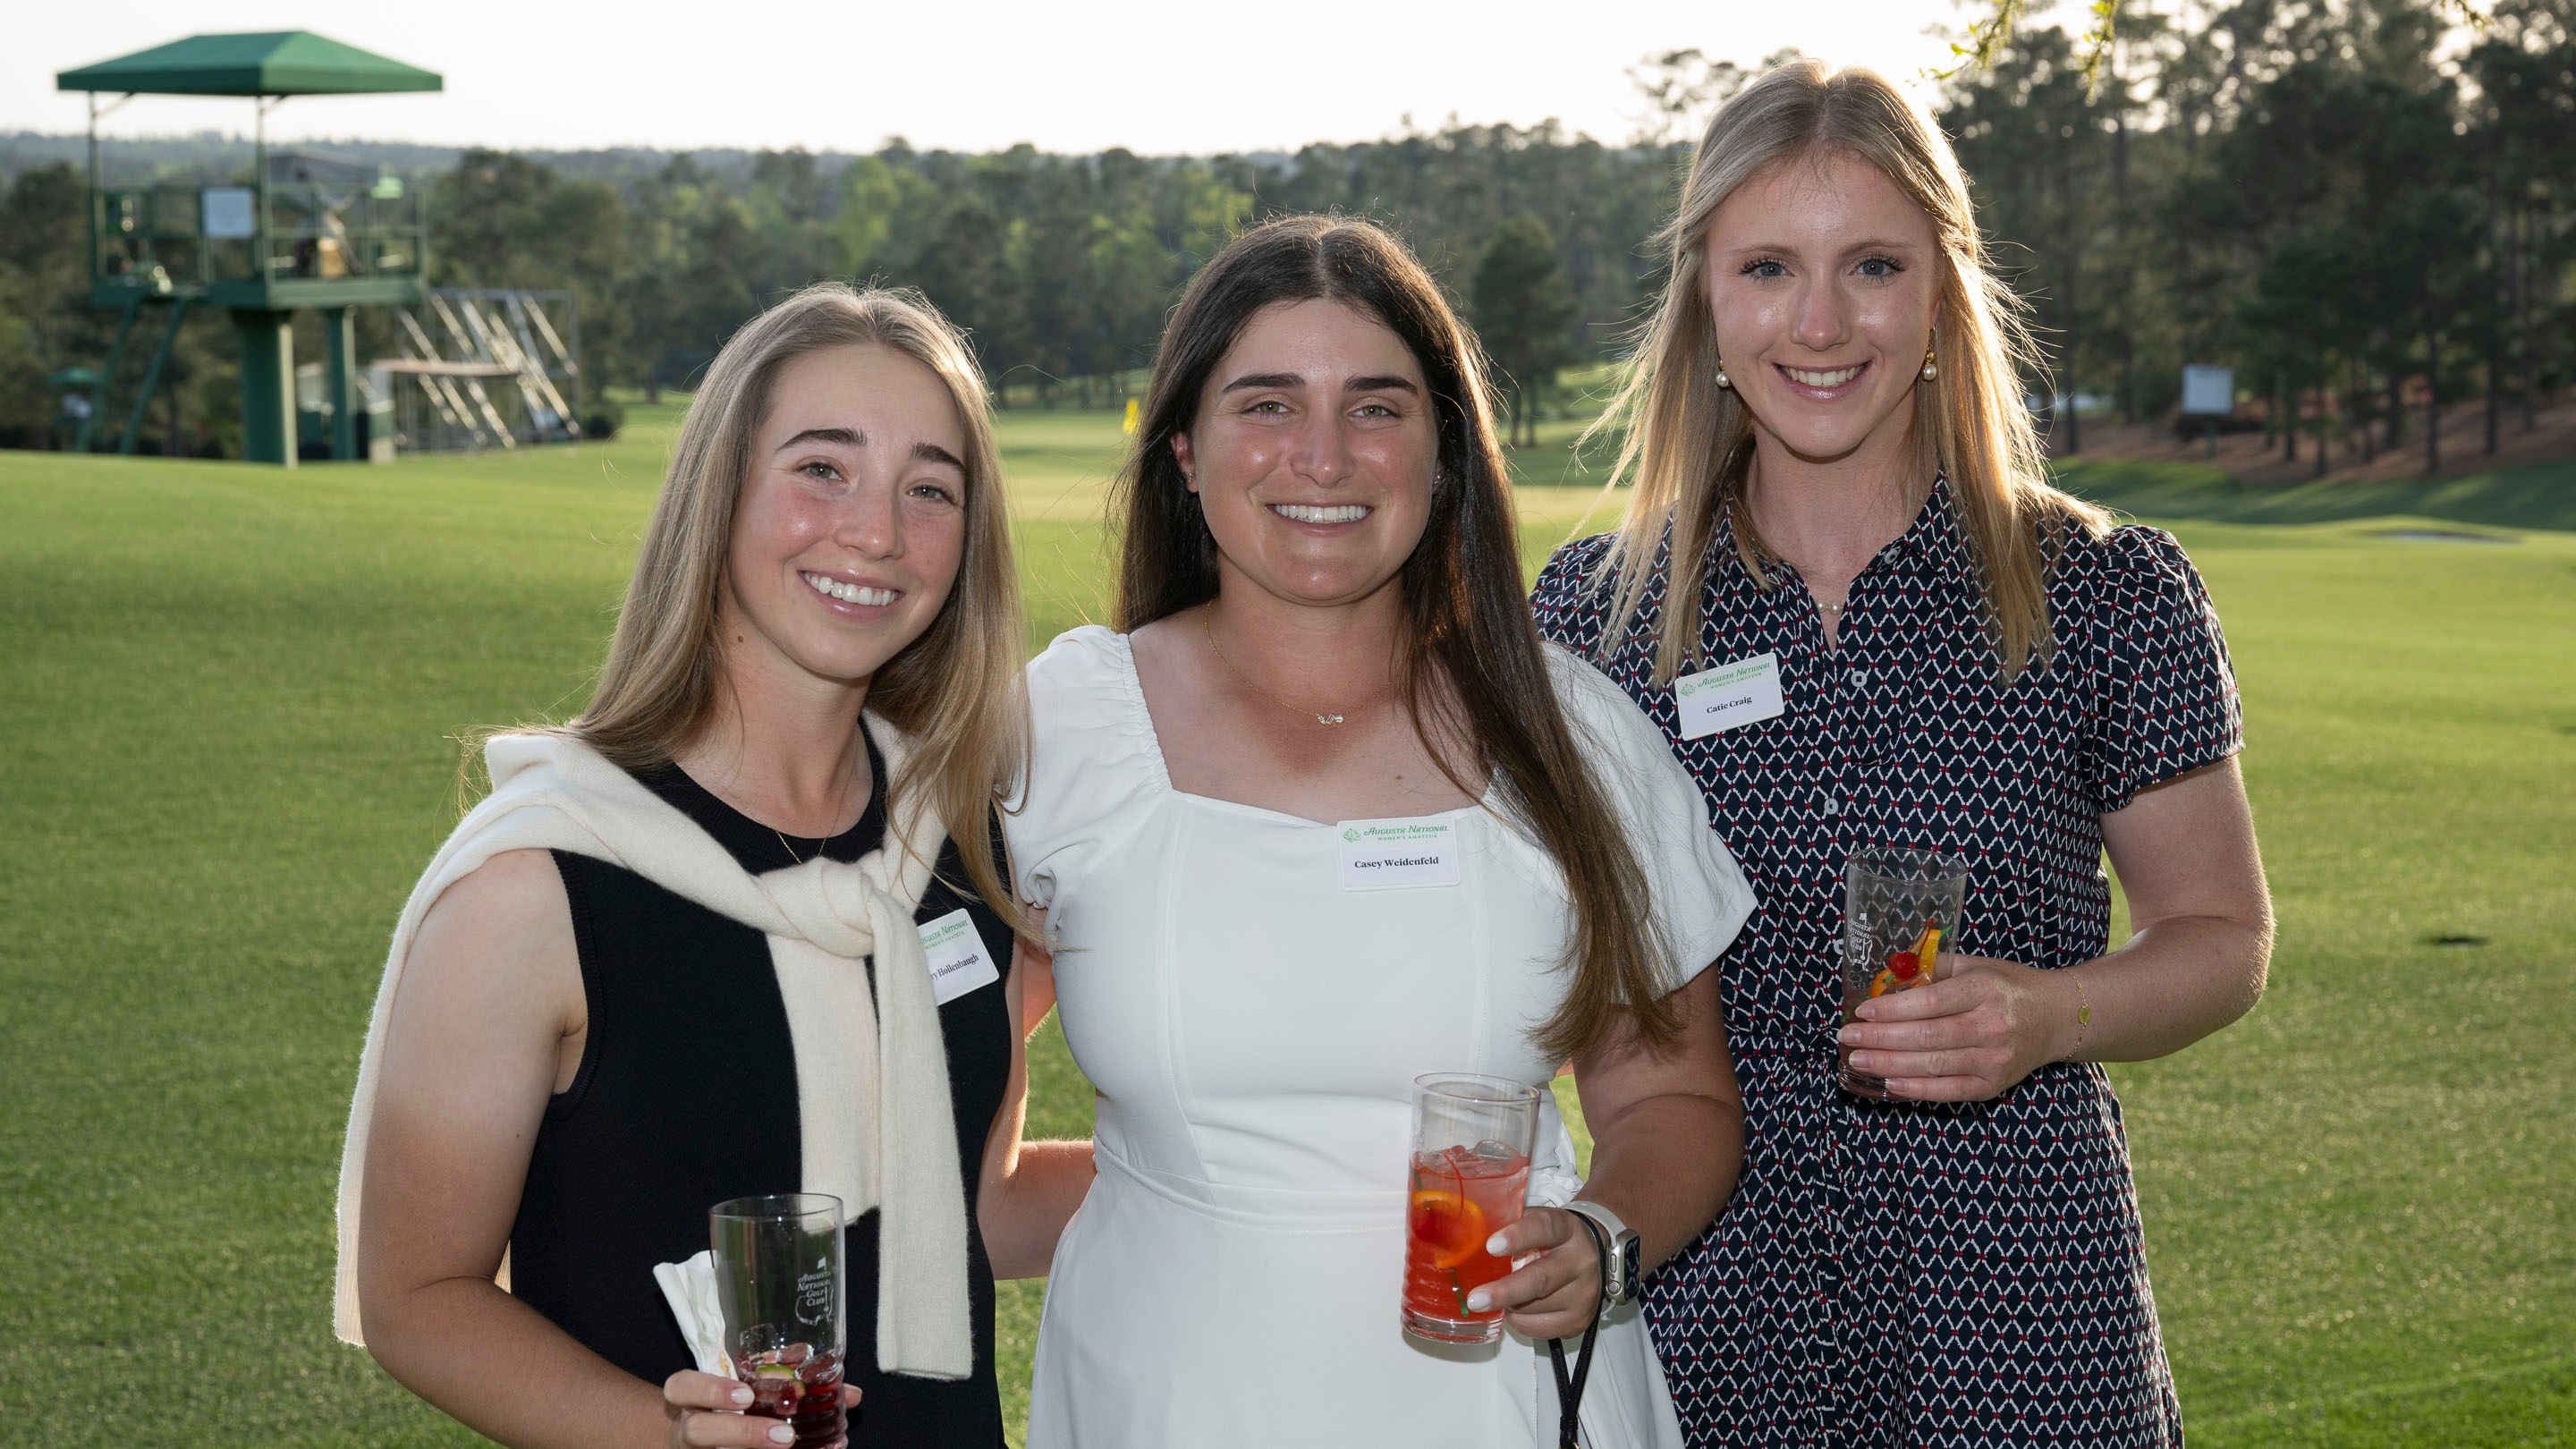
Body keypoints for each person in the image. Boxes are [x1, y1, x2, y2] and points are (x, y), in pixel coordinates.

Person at [1529, 60, 2275, 1447]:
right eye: (1767, 268)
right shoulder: (1592, 616)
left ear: (1941, 292)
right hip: (1710, 1317)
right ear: (1705, 298)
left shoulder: (2105, 592)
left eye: (1872, 265)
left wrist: (2048, 1015)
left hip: (2022, 1320)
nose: (1820, 323)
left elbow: (2224, 938)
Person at [1001, 215, 1756, 1447]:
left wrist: (1600, 1236)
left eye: (1376, 407)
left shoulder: (1574, 738)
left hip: (1500, 1399)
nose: (1323, 455)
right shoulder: (1060, 727)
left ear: (1444, 453)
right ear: (1183, 448)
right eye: (1267, 404)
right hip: (1166, 1396)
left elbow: (1675, 1098)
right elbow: (937, 1107)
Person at [336, 283, 1091, 1449]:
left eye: (930, 489)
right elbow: (417, 1298)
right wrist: (665, 1435)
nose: (878, 532)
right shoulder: (538, 886)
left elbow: (969, 1205)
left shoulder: (956, 844)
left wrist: (1269, 1171)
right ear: (719, 492)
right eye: (822, 468)